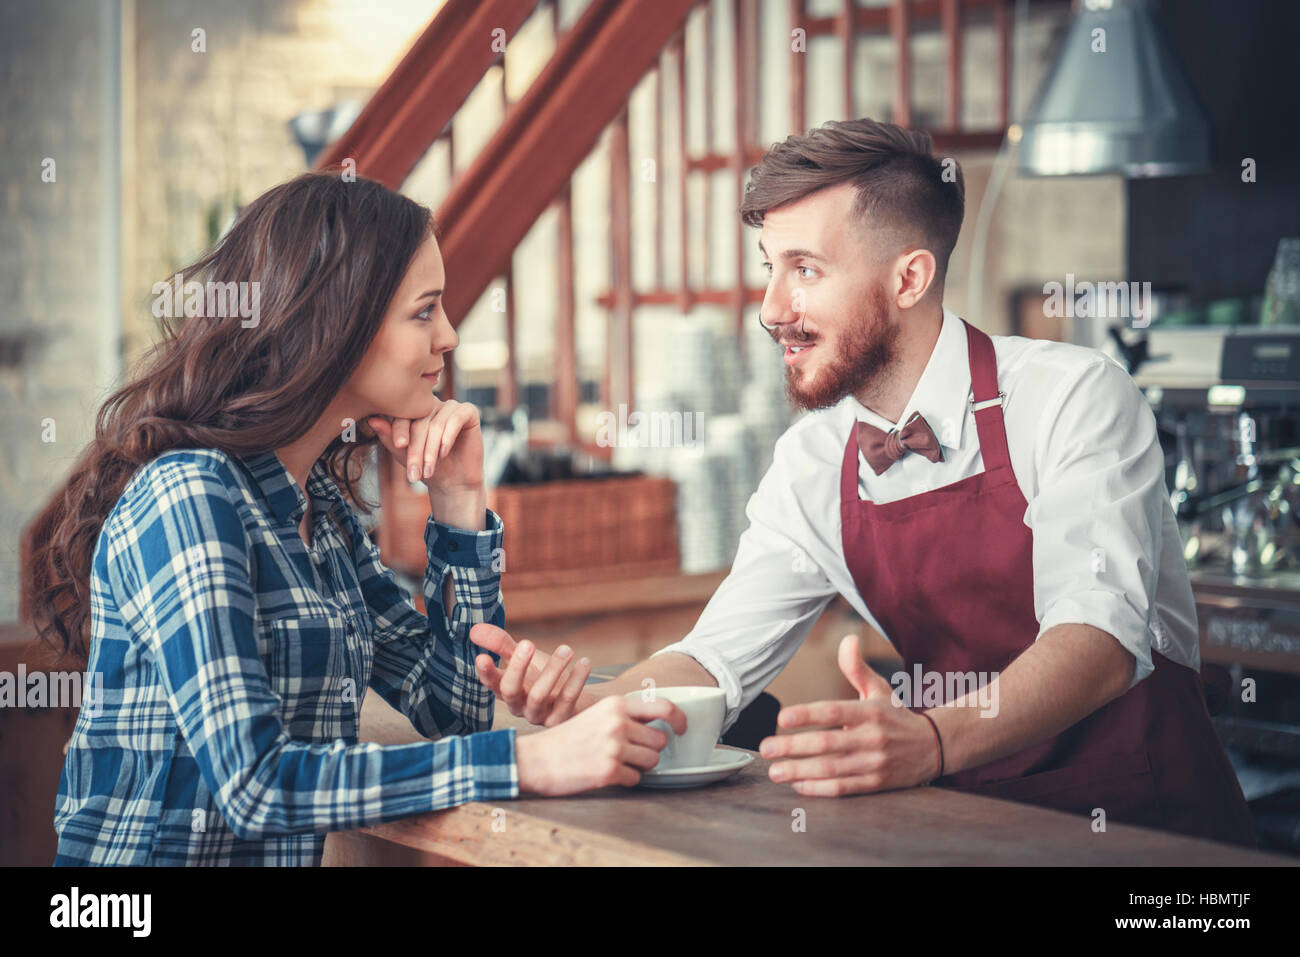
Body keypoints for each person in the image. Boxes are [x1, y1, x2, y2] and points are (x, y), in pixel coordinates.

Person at [470, 118, 1257, 848]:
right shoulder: (813, 463)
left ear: (909, 277)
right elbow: (714, 660)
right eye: (770, 269)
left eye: (805, 269)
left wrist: (936, 737)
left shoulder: (1073, 396)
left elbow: (1098, 643)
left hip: (1150, 831)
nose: (773, 308)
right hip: (970, 824)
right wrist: (588, 708)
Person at [29, 170, 684, 866]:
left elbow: (450, 708)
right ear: (335, 323)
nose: (451, 337)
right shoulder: (192, 493)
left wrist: (458, 505)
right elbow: (254, 785)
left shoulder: (323, 513)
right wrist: (528, 761)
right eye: (424, 311)